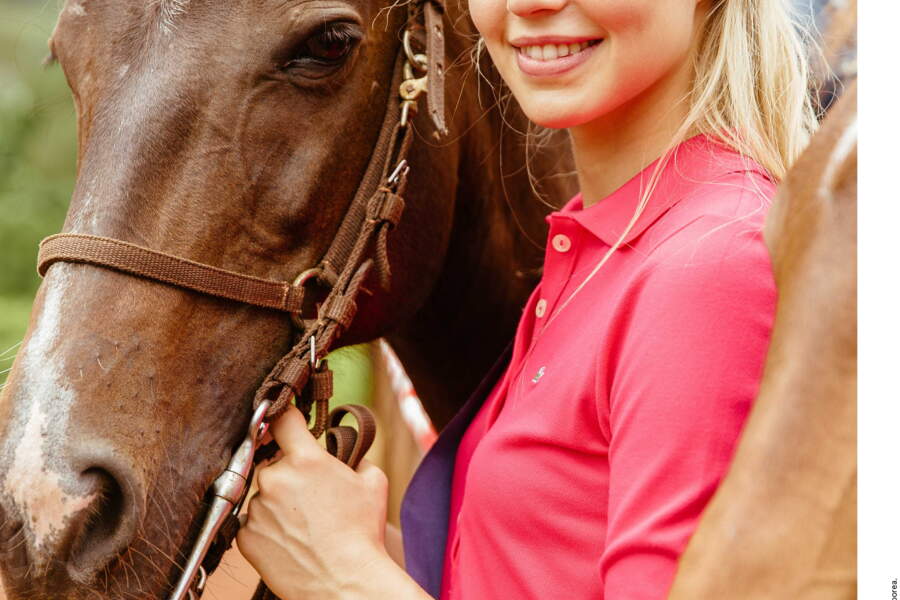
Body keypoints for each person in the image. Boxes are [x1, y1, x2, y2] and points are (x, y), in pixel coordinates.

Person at [235, 0, 818, 598]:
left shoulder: (708, 266)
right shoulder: (603, 245)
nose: (527, 3)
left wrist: (345, 578)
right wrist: (348, 542)